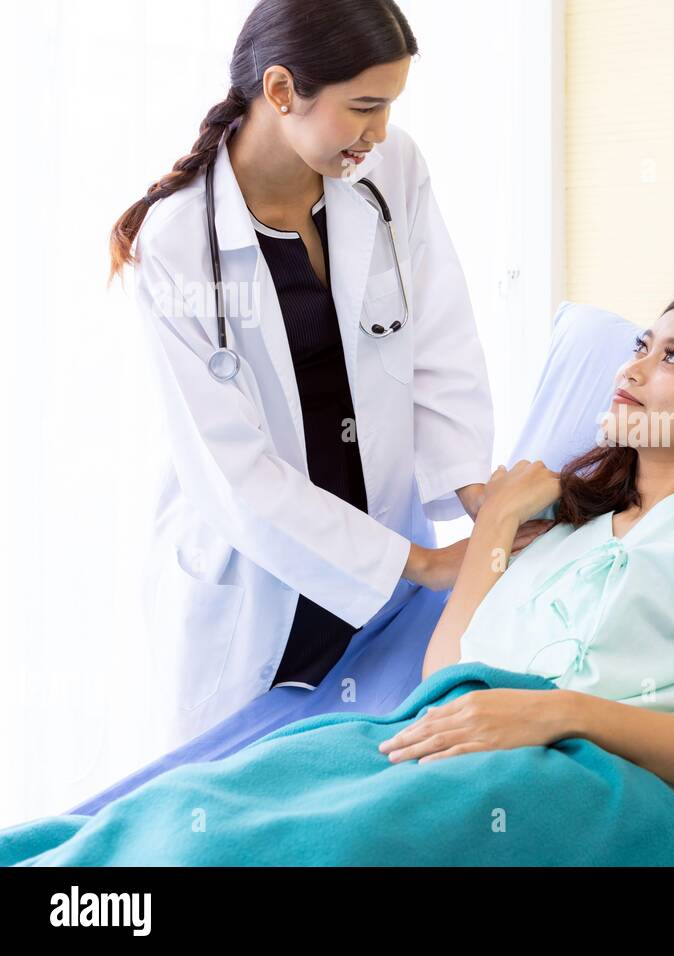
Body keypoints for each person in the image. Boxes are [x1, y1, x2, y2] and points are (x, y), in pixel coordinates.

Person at [2, 288, 674, 865]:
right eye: (637, 348)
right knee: (196, 806)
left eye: (670, 359)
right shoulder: (564, 532)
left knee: (314, 849)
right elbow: (447, 679)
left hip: (580, 784)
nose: (629, 370)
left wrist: (552, 712)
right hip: (434, 741)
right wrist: (504, 522)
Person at [104, 0, 548, 749]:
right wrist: (424, 563)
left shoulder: (390, 170)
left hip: (380, 565)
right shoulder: (178, 244)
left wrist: (480, 498)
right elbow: (234, 475)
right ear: (281, 92)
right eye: (363, 107)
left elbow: (438, 339)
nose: (379, 133)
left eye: (390, 107)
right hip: (257, 588)